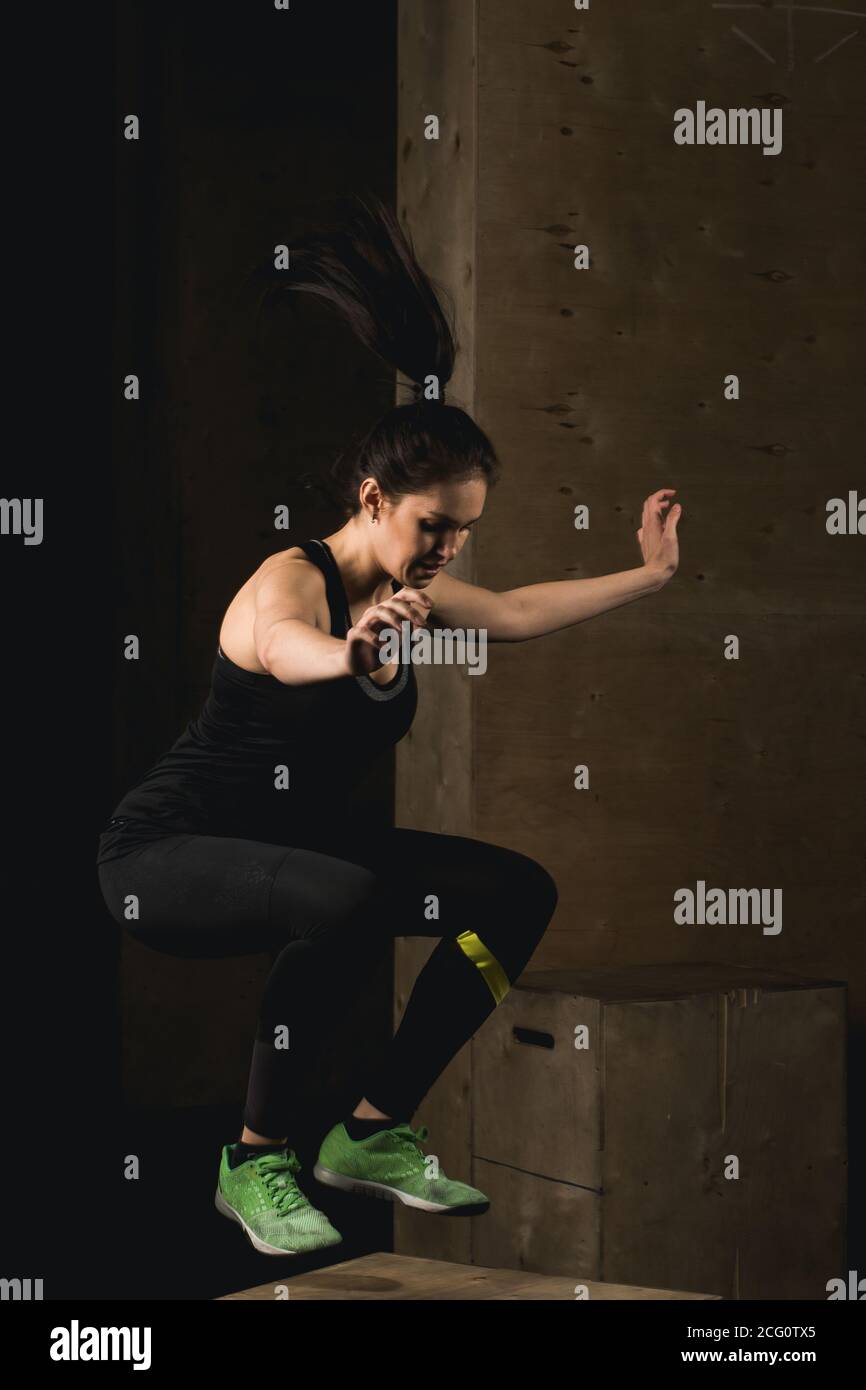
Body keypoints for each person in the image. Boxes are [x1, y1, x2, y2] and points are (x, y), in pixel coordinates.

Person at [96, 193, 681, 1258]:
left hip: (300, 850)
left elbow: (513, 613)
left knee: (513, 894)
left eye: (463, 531)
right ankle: (253, 1156)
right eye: (432, 526)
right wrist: (352, 653)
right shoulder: (291, 580)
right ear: (372, 497)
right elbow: (283, 649)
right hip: (168, 852)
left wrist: (645, 578)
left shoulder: (422, 584)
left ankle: (370, 1128)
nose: (448, 550)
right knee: (349, 896)